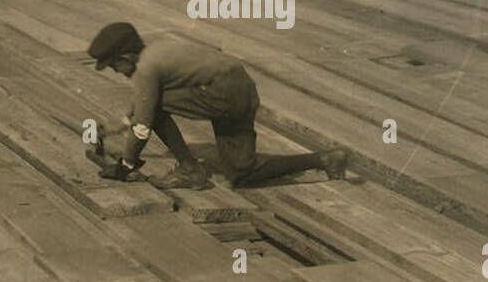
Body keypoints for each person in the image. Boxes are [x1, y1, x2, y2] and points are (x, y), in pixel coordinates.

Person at [86, 22, 348, 189]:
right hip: (241, 89)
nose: (116, 72)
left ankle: (190, 170)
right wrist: (115, 128)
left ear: (125, 57)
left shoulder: (146, 69)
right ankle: (325, 159)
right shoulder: (156, 53)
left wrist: (126, 165)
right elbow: (144, 101)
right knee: (242, 174)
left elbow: (143, 122)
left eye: (113, 66)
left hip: (224, 95)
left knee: (153, 109)